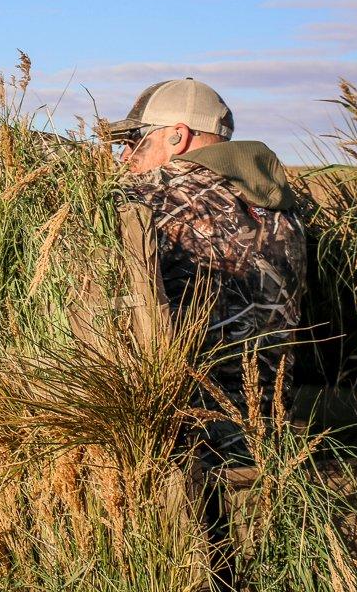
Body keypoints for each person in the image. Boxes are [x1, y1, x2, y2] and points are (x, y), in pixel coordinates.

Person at [109, 78, 306, 589]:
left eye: (134, 142)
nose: (124, 157)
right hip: (267, 423)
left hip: (190, 442)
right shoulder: (283, 206)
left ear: (177, 136)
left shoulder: (156, 197)